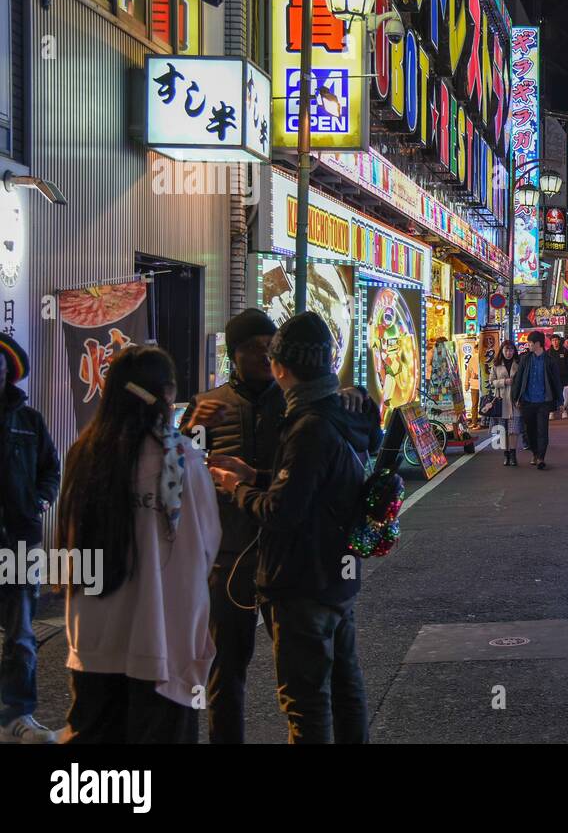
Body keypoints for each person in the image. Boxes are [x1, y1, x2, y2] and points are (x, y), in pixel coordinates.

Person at [180, 308, 367, 744]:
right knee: (226, 668)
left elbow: (293, 494)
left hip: (288, 561)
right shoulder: (210, 405)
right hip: (231, 555)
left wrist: (359, 395)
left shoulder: (301, 406)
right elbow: (182, 468)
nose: (264, 356)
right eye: (253, 348)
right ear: (234, 354)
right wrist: (192, 431)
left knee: (311, 689)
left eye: (270, 348)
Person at [60, 346, 221, 743]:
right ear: (165, 394)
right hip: (163, 633)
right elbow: (207, 544)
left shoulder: (84, 452)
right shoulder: (181, 458)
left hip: (94, 631)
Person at [0, 332, 61, 744]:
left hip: (21, 541)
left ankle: (16, 717)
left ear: (9, 370)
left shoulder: (30, 421)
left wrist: (40, 500)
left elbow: (50, 469)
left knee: (21, 634)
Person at [511, 330, 564, 470]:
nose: (528, 345)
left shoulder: (549, 360)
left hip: (543, 401)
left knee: (542, 430)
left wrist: (560, 401)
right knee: (530, 430)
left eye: (530, 343)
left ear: (538, 344)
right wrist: (516, 397)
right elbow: (519, 379)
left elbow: (556, 382)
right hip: (527, 401)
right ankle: (535, 452)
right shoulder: (525, 359)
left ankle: (541, 457)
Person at [490, 340, 521, 466]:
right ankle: (506, 454)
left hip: (515, 400)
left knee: (514, 430)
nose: (509, 352)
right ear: (502, 351)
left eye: (511, 350)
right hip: (501, 400)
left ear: (514, 351)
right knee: (502, 430)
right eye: (506, 350)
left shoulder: (518, 363)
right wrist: (504, 382)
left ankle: (513, 455)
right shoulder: (496, 364)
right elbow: (492, 381)